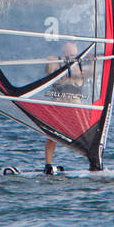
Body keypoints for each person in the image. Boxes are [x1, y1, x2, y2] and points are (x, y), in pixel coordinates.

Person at [41, 42, 86, 175]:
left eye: (73, 54)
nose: (70, 57)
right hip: (59, 104)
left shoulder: (78, 67)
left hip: (74, 105)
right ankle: (48, 164)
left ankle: (92, 158)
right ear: (62, 53)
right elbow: (49, 72)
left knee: (84, 132)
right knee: (52, 136)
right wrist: (50, 62)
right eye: (67, 54)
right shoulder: (56, 64)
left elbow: (79, 73)